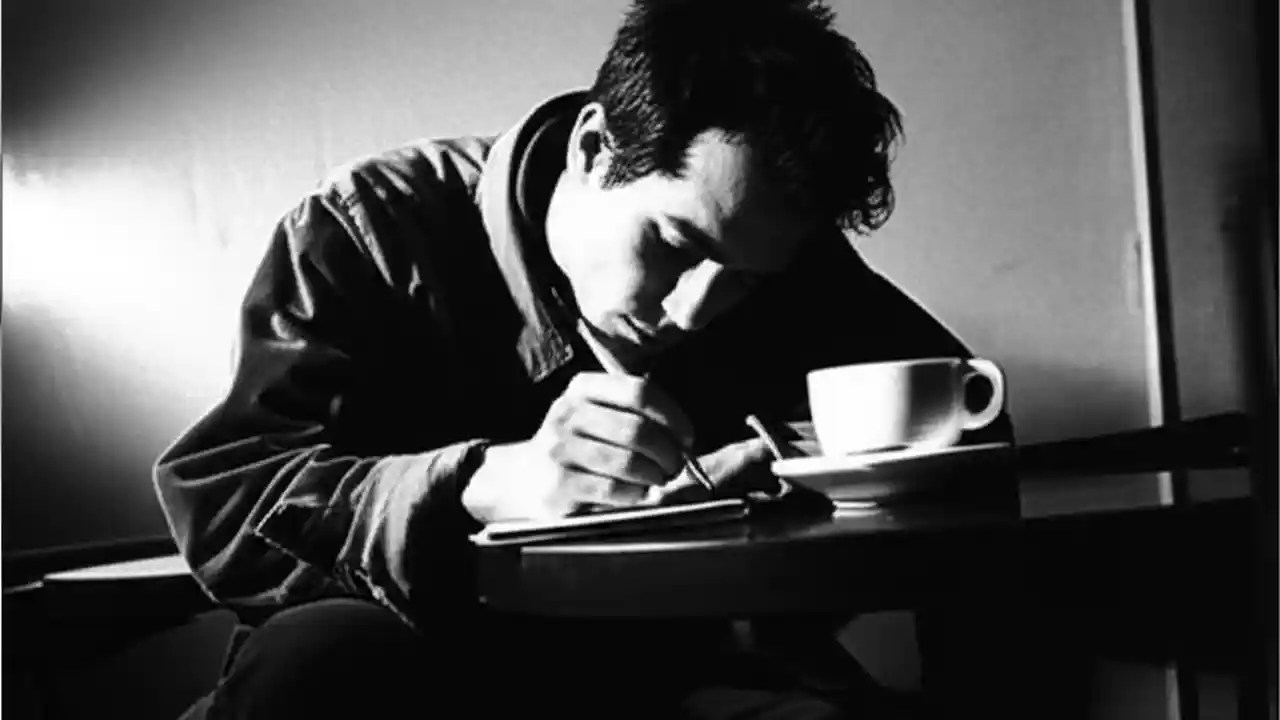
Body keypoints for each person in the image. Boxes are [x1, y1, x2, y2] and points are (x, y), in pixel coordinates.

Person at [155, 0, 1013, 718]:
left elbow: (968, 422)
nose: (695, 308)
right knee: (324, 660)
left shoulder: (780, 247)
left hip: (669, 675)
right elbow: (225, 504)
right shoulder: (371, 228)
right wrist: (478, 483)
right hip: (407, 670)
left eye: (748, 281)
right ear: (595, 148)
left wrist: (785, 474)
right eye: (674, 245)